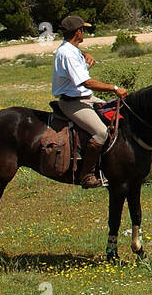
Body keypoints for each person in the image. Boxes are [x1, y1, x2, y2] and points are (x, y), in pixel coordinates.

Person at [52, 14, 128, 188]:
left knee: (114, 116)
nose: (84, 32)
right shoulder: (67, 53)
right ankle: (86, 175)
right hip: (73, 102)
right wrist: (115, 89)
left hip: (84, 97)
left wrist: (85, 60)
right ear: (78, 32)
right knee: (101, 132)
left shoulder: (71, 49)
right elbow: (87, 82)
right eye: (83, 30)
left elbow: (77, 74)